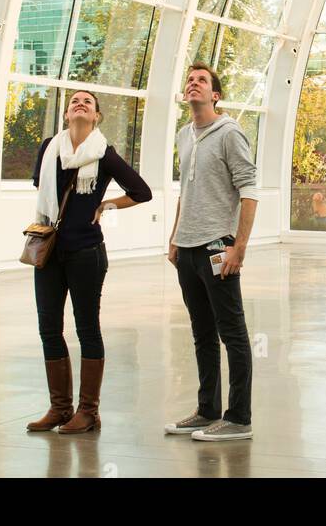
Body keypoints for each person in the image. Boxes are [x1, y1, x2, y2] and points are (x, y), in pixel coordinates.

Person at [27, 89, 152, 434]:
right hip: (50, 252)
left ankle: (88, 411)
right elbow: (42, 190)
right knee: (49, 329)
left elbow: (142, 191)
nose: (79, 105)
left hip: (86, 253)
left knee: (87, 329)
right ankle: (60, 408)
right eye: (74, 102)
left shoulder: (104, 154)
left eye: (87, 103)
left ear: (96, 117)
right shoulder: (49, 149)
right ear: (67, 115)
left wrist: (106, 205)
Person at [165, 63, 258, 442]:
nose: (193, 83)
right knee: (201, 332)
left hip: (219, 245)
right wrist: (173, 239)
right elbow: (186, 192)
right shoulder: (184, 135)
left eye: (202, 80)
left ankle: (239, 418)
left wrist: (239, 246)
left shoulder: (229, 133)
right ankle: (207, 410)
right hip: (186, 249)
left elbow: (249, 189)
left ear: (215, 94)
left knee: (231, 332)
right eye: (189, 79)